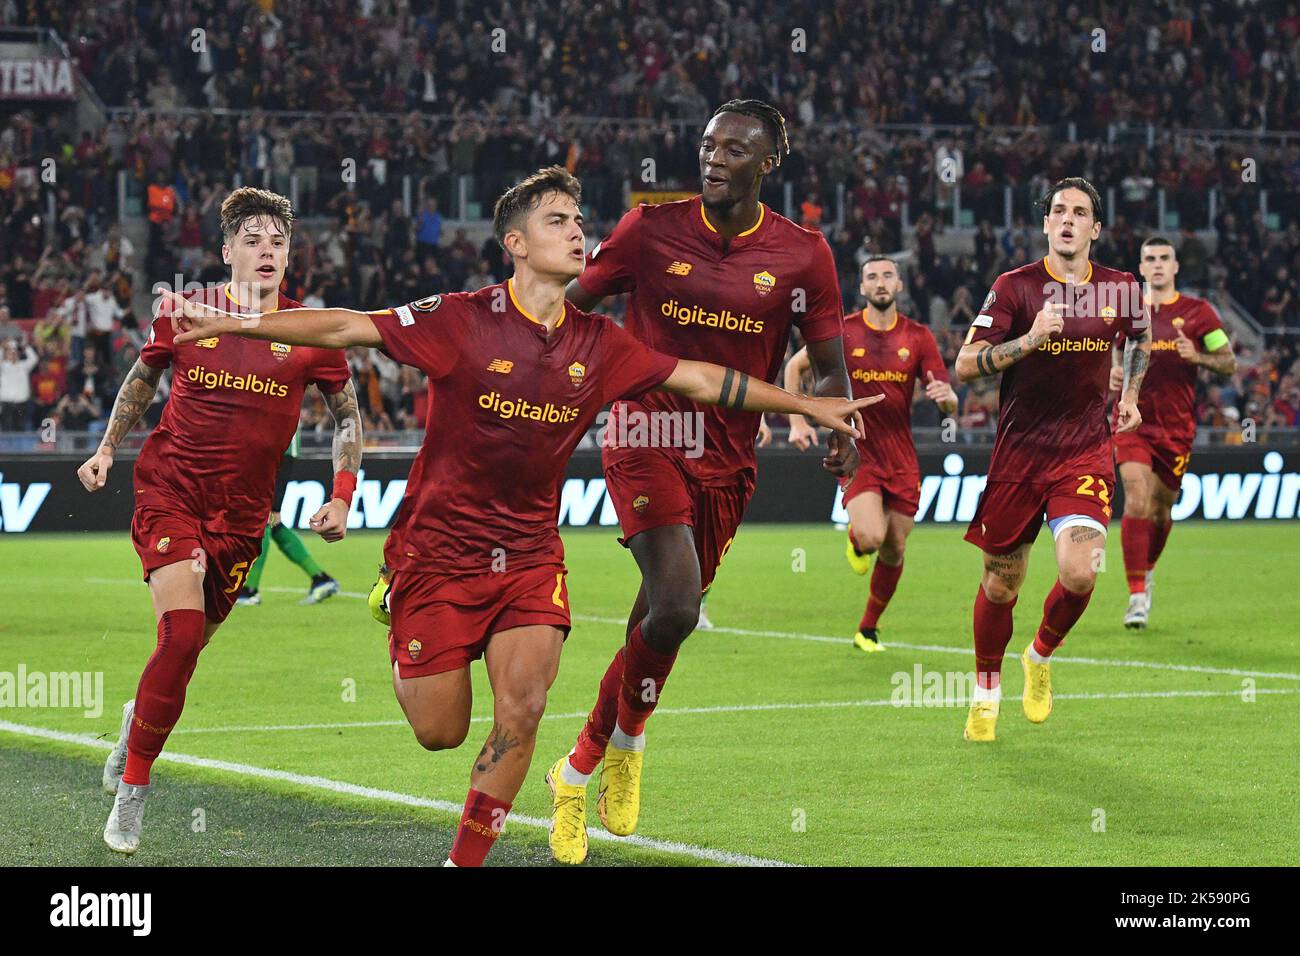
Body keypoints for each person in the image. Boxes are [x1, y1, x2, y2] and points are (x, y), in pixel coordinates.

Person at [162, 166, 877, 867]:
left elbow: (701, 379)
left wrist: (807, 403)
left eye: (579, 221)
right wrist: (240, 319)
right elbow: (350, 326)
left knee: (524, 709)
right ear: (516, 243)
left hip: (530, 556)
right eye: (558, 221)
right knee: (441, 731)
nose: (578, 233)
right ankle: (397, 598)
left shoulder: (600, 346)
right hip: (437, 552)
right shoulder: (460, 319)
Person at [549, 100, 858, 862]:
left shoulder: (803, 255)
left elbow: (827, 361)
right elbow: (570, 307)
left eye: (734, 149)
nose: (714, 158)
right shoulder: (649, 230)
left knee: (658, 617)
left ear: (768, 163)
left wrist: (847, 427)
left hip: (729, 455)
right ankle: (620, 746)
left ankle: (582, 764)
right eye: (708, 144)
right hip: (646, 432)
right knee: (679, 604)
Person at [78, 187, 362, 854]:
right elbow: (143, 378)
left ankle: (133, 725)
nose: (269, 251)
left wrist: (343, 493)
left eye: (280, 242)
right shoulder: (185, 312)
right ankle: (134, 794)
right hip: (171, 494)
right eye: (255, 240)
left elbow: (347, 414)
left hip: (243, 518)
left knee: (184, 652)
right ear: (227, 249)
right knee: (178, 640)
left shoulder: (309, 331)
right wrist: (107, 447)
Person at [954, 177, 1151, 743]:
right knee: (1000, 586)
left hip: (1083, 454)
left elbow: (1139, 336)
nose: (1068, 219)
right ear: (1045, 225)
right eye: (1058, 211)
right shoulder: (1015, 288)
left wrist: (1131, 396)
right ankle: (985, 693)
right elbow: (966, 364)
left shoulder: (1120, 288)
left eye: (1080, 212)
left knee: (1082, 571)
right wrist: (1029, 341)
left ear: (1095, 228)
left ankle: (1039, 656)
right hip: (1018, 457)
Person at [785, 256, 957, 651]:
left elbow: (946, 400)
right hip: (857, 451)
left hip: (903, 457)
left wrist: (947, 400)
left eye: (887, 276)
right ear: (862, 288)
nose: (880, 283)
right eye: (872, 277)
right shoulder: (843, 331)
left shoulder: (918, 337)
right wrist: (798, 421)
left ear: (899, 285)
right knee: (872, 535)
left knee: (896, 546)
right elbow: (795, 368)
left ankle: (867, 628)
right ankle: (857, 540)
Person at [1110, 236, 1235, 628]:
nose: (1158, 264)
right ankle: (1135, 598)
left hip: (1177, 429)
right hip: (1133, 421)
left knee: (1161, 512)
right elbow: (1112, 350)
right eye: (1150, 259)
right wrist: (1112, 370)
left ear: (1176, 267)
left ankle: (1146, 571)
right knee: (1137, 499)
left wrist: (1196, 356)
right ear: (1142, 267)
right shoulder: (1128, 311)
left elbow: (1228, 361)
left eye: (1165, 258)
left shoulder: (1200, 314)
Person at [236, 426, 342, 607]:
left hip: (274, 467)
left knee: (264, 524)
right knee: (274, 526)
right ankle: (320, 578)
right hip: (264, 465)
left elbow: (288, 456)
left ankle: (250, 591)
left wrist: (275, 504)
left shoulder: (282, 413)